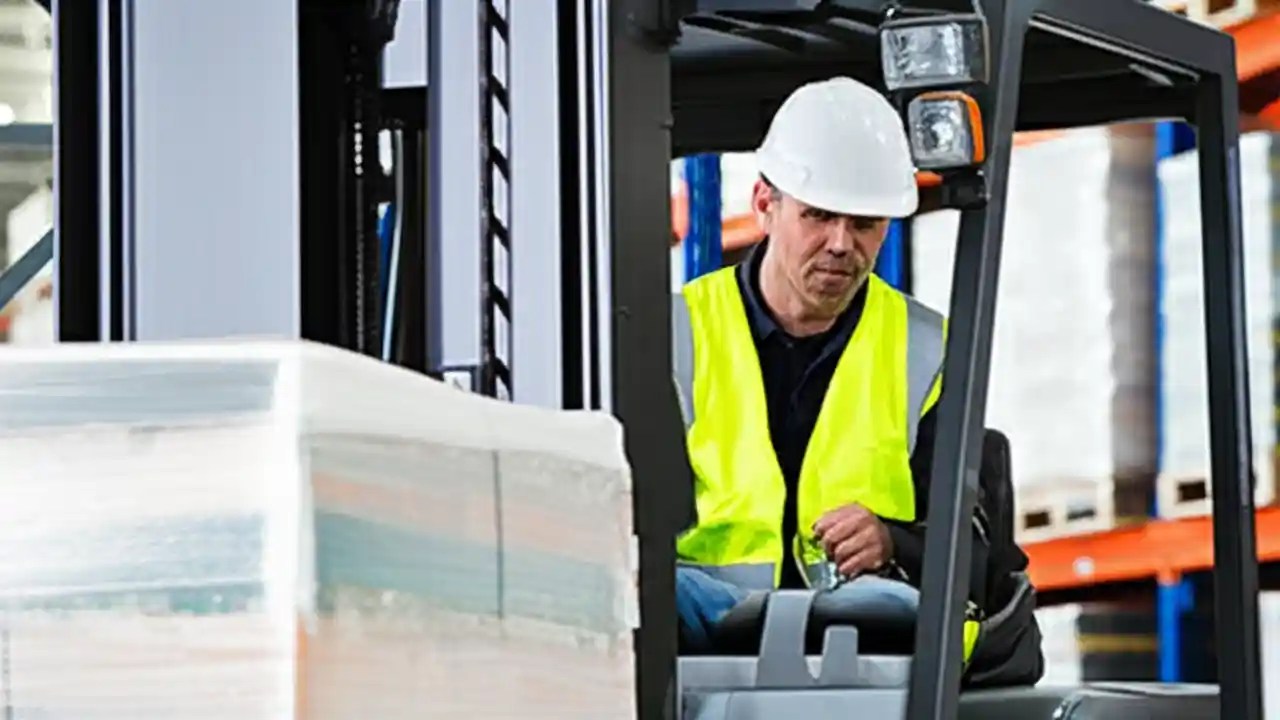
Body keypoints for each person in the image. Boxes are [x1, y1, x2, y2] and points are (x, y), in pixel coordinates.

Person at [669, 76, 1042, 684]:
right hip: (705, 632)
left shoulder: (929, 348)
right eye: (818, 216)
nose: (842, 244)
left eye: (865, 223)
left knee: (894, 609)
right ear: (765, 204)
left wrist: (893, 542)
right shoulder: (674, 333)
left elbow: (977, 554)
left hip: (859, 637)